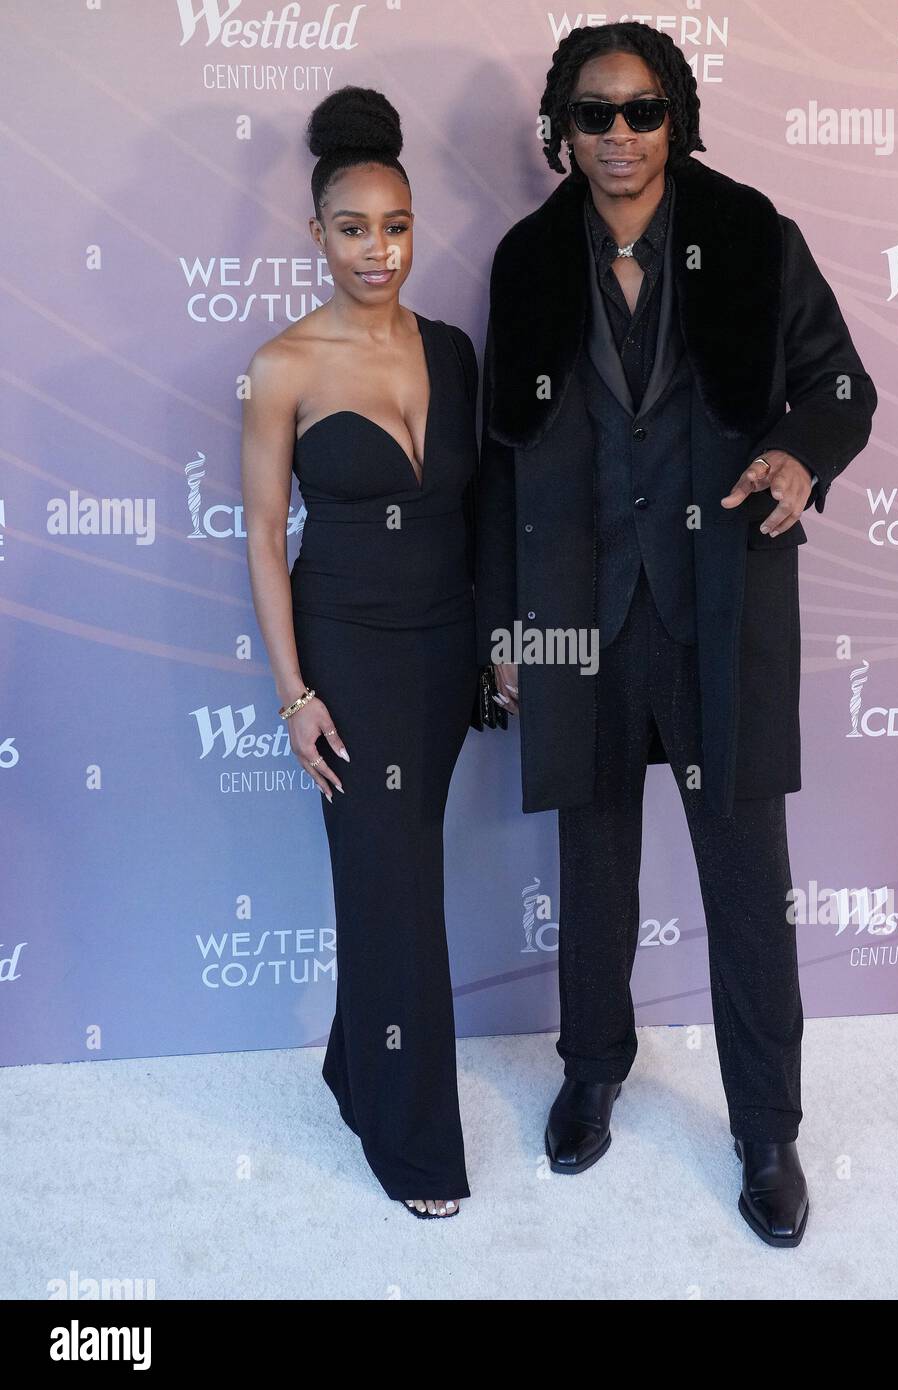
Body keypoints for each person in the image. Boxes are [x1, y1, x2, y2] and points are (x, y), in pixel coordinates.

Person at [475, 23, 877, 1246]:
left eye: (640, 112)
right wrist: (502, 623)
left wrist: (801, 457)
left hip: (722, 604)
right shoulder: (529, 258)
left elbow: (842, 388)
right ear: (562, 127)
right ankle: (592, 1067)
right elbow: (499, 458)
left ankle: (765, 1128)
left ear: (677, 117)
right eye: (592, 115)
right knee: (588, 866)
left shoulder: (752, 234)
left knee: (747, 881)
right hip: (570, 613)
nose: (617, 137)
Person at [241, 85, 483, 1219]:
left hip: (444, 658)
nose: (376, 249)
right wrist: (294, 696)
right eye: (351, 228)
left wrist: (499, 644)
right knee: (393, 895)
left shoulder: (454, 349)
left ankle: (355, 1067)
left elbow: (482, 507)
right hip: (349, 650)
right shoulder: (282, 365)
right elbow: (258, 532)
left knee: (400, 880)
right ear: (315, 234)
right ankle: (416, 1150)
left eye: (394, 226)